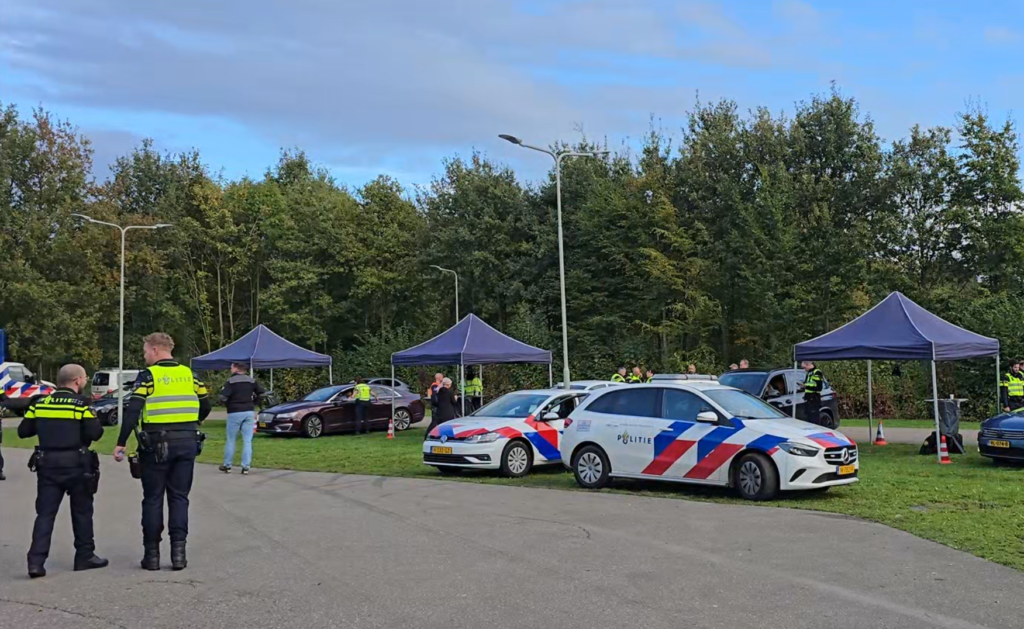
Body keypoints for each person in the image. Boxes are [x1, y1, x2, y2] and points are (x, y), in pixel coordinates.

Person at [113, 332, 210, 572]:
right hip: (187, 441)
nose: (144, 355)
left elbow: (133, 411)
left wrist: (121, 442)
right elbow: (206, 404)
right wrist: (193, 421)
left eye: (145, 351)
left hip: (156, 444)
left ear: (155, 350)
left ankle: (152, 556)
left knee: (153, 498)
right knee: (179, 498)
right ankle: (179, 555)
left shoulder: (148, 376)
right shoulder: (190, 375)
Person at [19, 364, 106, 578]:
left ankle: (35, 562)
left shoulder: (40, 403)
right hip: (77, 464)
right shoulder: (81, 404)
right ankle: (84, 556)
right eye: (84, 378)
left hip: (47, 464)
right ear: (77, 381)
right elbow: (95, 433)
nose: (85, 381)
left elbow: (23, 431)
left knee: (45, 514)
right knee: (82, 511)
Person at [218, 363, 265, 475]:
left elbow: (223, 397)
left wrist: (228, 405)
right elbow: (262, 394)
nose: (230, 369)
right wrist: (254, 403)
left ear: (235, 368)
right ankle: (246, 467)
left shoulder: (230, 381)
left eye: (231, 367)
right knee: (247, 441)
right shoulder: (252, 381)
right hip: (249, 411)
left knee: (231, 440)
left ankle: (227, 465)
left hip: (234, 412)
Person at [798, 360, 825, 426]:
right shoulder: (809, 373)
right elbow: (809, 384)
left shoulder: (817, 372)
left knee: (814, 419)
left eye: (804, 367)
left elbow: (818, 387)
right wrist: (803, 386)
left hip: (814, 398)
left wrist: (806, 386)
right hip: (808, 398)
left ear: (808, 364)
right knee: (809, 418)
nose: (804, 369)